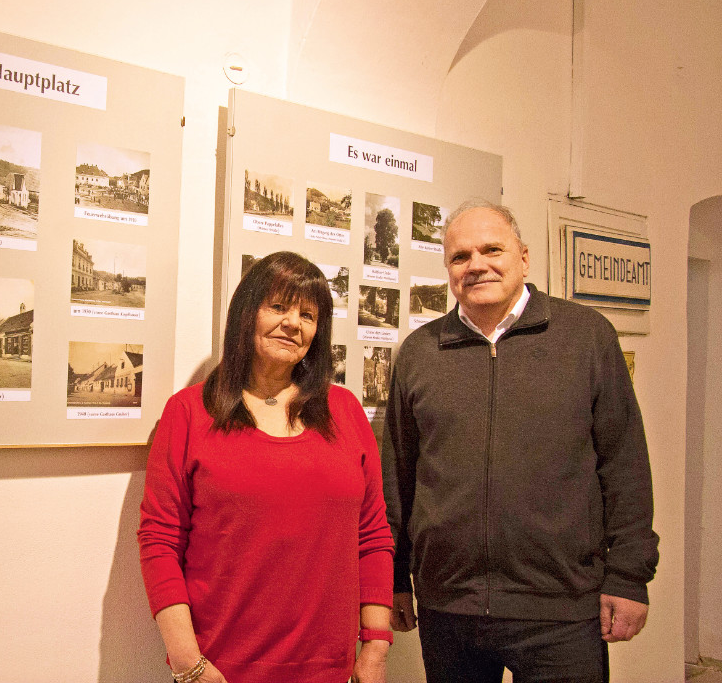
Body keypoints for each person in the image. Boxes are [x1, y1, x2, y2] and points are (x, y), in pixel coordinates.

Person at [382, 200, 659, 682]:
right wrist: (392, 579)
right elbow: (399, 477)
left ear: (524, 258)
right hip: (450, 609)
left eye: (492, 249)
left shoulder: (586, 337)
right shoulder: (421, 353)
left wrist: (630, 577)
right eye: (460, 256)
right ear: (448, 268)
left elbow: (624, 466)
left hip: (561, 608)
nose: (477, 265)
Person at [138, 251, 394, 683]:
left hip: (330, 671)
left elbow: (372, 537)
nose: (294, 323)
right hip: (219, 670)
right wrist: (188, 663)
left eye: (308, 314)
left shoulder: (346, 412)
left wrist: (375, 648)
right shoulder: (189, 412)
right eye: (278, 306)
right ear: (246, 313)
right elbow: (160, 540)